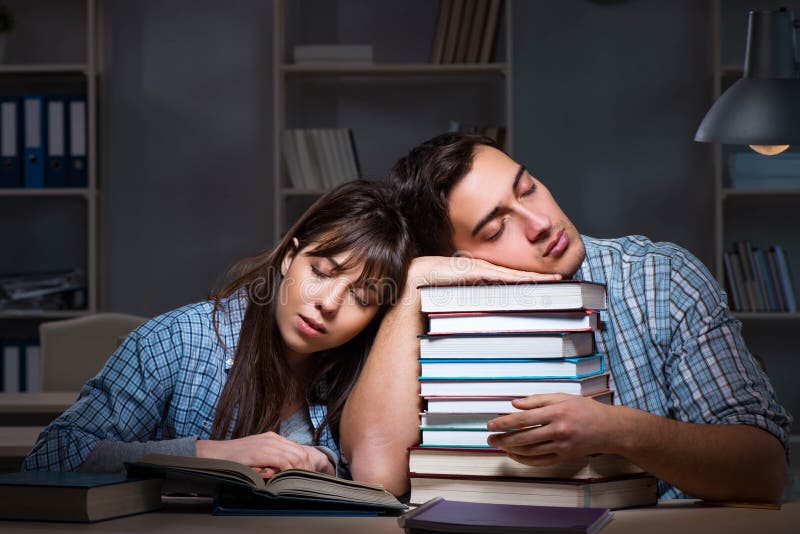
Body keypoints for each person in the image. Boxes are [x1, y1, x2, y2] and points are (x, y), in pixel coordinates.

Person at [341, 132, 792, 502]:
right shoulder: (428, 312)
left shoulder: (660, 277)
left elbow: (765, 470)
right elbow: (374, 479)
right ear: (458, 257)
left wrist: (620, 432)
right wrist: (416, 283)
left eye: (528, 188)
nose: (539, 223)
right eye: (497, 228)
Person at [24, 180, 415, 479]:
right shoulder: (178, 340)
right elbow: (52, 456)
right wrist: (210, 454)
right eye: (320, 272)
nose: (328, 303)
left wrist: (325, 468)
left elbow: (385, 486)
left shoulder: (369, 374)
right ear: (289, 257)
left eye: (362, 298)